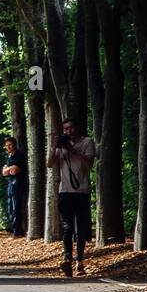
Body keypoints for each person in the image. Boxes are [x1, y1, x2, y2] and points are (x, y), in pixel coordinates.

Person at [48, 118, 96, 276]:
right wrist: (54, 147)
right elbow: (49, 164)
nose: (68, 132)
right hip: (65, 192)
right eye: (65, 129)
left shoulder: (87, 142)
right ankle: (67, 259)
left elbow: (89, 165)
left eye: (70, 128)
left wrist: (73, 150)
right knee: (68, 227)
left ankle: (80, 261)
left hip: (82, 191)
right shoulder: (61, 146)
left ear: (77, 128)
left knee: (81, 228)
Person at [1, 135, 27, 236]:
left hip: (18, 184)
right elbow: (4, 173)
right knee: (10, 208)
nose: (8, 147)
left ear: (15, 145)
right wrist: (8, 169)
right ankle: (14, 229)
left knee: (16, 208)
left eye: (10, 145)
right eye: (7, 146)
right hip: (10, 184)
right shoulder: (10, 157)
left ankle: (18, 231)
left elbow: (15, 169)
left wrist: (9, 169)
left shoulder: (19, 155)